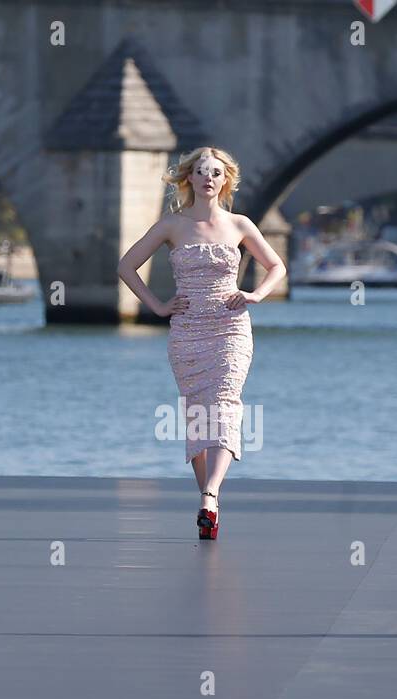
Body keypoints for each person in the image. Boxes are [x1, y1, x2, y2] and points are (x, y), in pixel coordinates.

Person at [116, 147, 286, 539]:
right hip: (188, 329)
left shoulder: (240, 224)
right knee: (197, 409)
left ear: (225, 180)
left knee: (225, 402)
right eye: (201, 172)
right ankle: (208, 504)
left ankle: (211, 493)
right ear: (188, 178)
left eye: (216, 173)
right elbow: (126, 266)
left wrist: (256, 294)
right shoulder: (171, 226)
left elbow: (276, 265)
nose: (209, 178)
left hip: (230, 327)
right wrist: (158, 306)